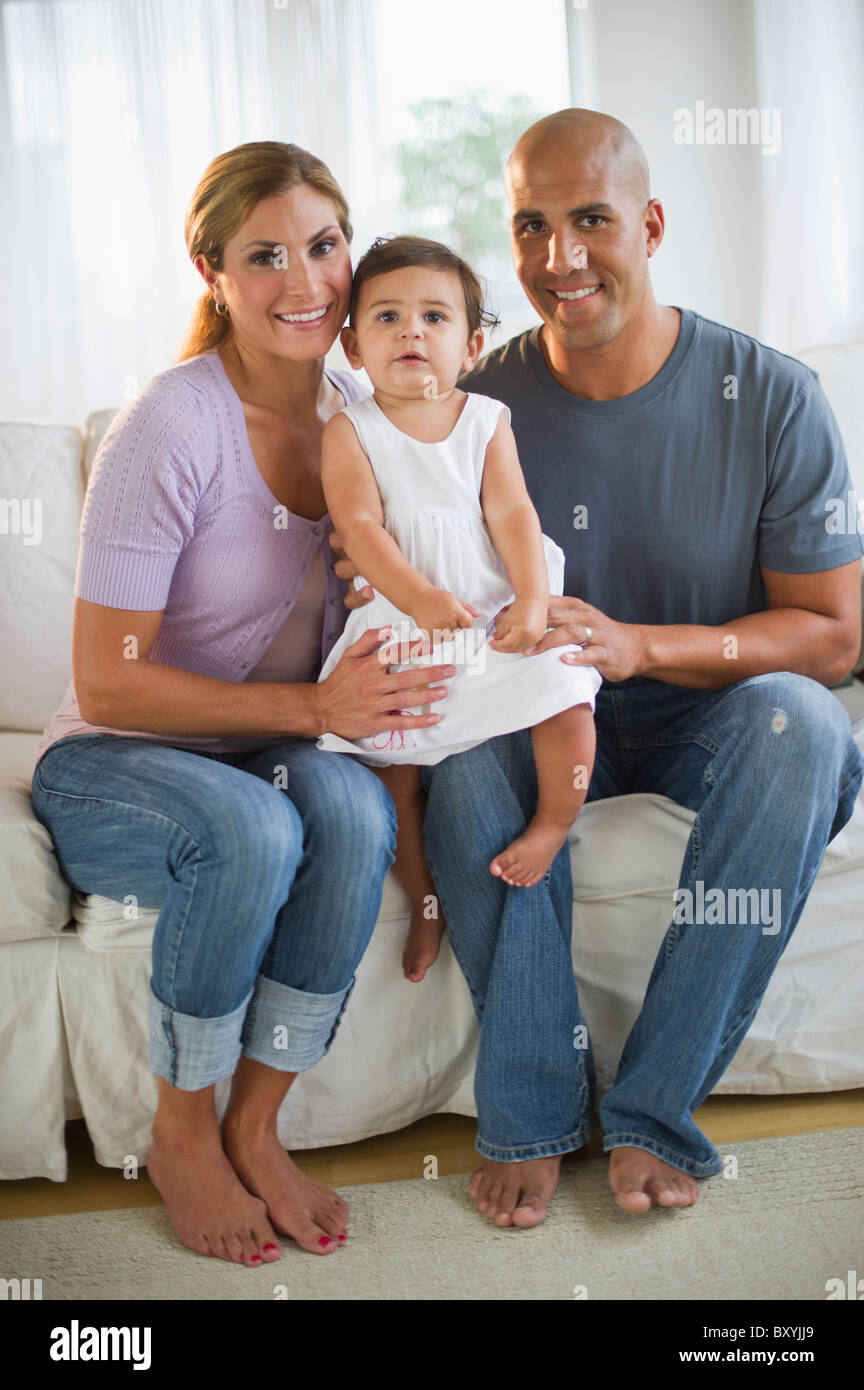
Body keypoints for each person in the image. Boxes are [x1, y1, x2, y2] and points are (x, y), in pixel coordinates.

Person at [334, 108, 864, 1226]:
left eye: (590, 222)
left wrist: (638, 645)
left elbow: (830, 634)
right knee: (475, 771)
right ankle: (529, 1110)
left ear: (651, 224)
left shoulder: (771, 396)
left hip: (705, 711)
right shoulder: (472, 396)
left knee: (805, 726)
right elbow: (371, 504)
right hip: (530, 704)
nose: (559, 260)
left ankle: (654, 1111)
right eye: (531, 228)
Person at [29, 141, 459, 1265]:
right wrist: (317, 707)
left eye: (324, 246)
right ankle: (181, 1134)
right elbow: (111, 676)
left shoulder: (368, 413)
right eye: (265, 256)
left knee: (352, 819)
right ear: (212, 269)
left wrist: (414, 854)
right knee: (255, 823)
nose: (307, 282)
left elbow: (394, 656)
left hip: (262, 743)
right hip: (118, 760)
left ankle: (256, 1124)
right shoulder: (170, 424)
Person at [315, 235, 601, 981]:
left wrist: (534, 599)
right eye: (387, 316)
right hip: (405, 620)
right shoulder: (351, 432)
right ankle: (424, 900)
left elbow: (513, 512)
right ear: (352, 346)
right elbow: (361, 528)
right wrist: (417, 597)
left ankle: (550, 824)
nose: (412, 330)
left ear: (471, 345)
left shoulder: (485, 421)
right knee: (391, 769)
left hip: (493, 612)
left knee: (566, 691)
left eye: (434, 317)